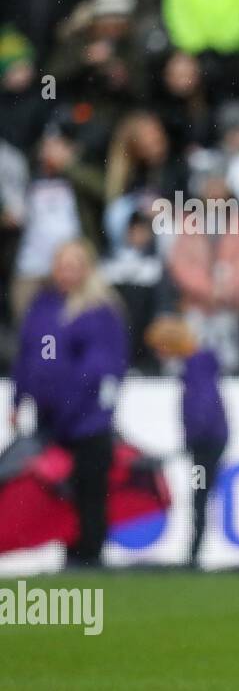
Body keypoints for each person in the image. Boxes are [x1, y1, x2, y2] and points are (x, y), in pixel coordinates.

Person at [10, 239, 128, 567]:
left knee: (90, 487)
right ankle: (68, 547)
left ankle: (89, 552)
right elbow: (29, 356)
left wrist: (70, 400)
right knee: (58, 490)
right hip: (50, 416)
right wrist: (19, 398)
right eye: (62, 264)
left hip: (86, 417)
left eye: (74, 264)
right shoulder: (44, 306)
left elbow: (101, 367)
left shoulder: (99, 311)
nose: (67, 272)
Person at [144, 316, 228, 567]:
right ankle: (194, 552)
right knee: (200, 495)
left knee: (199, 496)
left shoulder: (195, 368)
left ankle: (195, 554)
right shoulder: (197, 366)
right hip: (208, 442)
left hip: (205, 444)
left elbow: (202, 407)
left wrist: (194, 438)